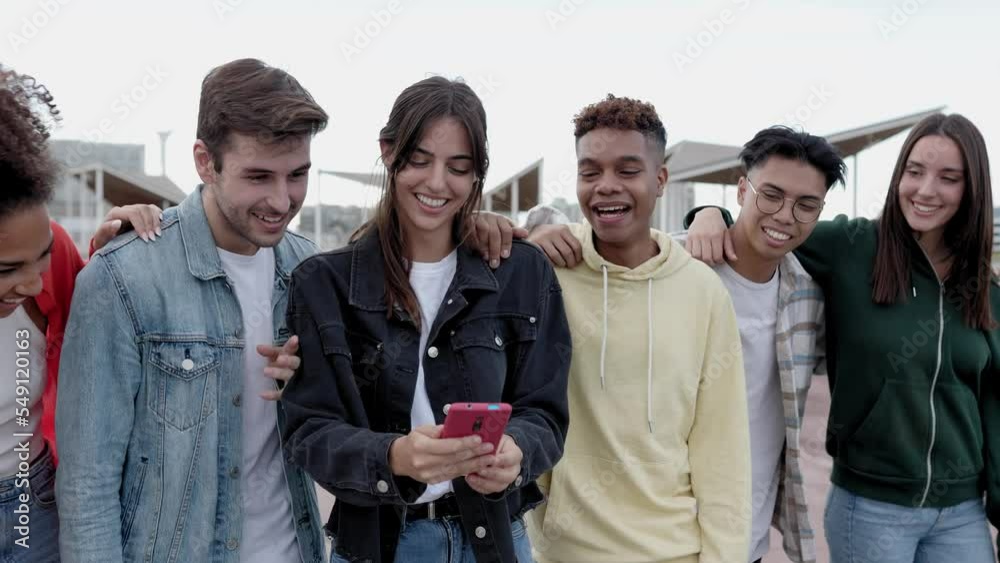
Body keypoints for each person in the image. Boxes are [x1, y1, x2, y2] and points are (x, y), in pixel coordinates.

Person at [279, 76, 572, 563]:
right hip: (384, 546)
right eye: (419, 160)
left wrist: (517, 451)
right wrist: (397, 457)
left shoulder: (521, 271)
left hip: (497, 541)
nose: (437, 183)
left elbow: (545, 412)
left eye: (459, 168)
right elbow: (309, 433)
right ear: (388, 152)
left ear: (478, 174)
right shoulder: (323, 284)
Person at [685, 113, 1000, 562]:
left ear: (972, 189)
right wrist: (708, 214)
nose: (926, 190)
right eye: (914, 172)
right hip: (872, 508)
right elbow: (768, 229)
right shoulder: (852, 247)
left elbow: (994, 406)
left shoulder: (985, 289)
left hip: (962, 512)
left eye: (948, 178)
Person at [55, 58, 331, 563]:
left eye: (297, 175)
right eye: (258, 176)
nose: (281, 198)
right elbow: (85, 485)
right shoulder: (122, 278)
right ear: (205, 162)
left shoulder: (311, 272)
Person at [529, 125, 845, 562]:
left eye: (806, 205)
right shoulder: (673, 266)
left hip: (742, 535)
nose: (785, 215)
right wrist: (538, 227)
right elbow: (588, 236)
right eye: (770, 195)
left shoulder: (808, 297)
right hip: (653, 533)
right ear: (741, 190)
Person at [521, 94, 749, 563]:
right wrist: (509, 233)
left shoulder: (703, 291)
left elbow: (722, 449)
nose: (606, 186)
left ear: (660, 179)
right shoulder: (546, 274)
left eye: (627, 170)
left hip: (674, 550)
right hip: (560, 552)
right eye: (590, 171)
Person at [0, 65, 162, 563]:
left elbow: (106, 328)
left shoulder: (54, 265)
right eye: (7, 269)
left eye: (43, 256)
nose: (33, 281)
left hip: (30, 500)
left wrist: (112, 247)